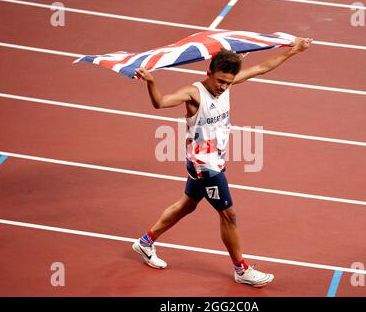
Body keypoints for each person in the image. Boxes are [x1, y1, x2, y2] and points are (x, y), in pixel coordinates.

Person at [132, 37, 312, 287]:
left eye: (228, 83)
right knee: (229, 215)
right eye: (220, 81)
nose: (223, 87)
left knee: (187, 205)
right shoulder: (193, 93)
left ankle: (145, 242)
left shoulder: (228, 81)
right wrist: (151, 82)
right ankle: (241, 269)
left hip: (212, 160)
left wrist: (293, 51)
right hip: (204, 166)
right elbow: (160, 103)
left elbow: (262, 67)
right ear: (209, 73)